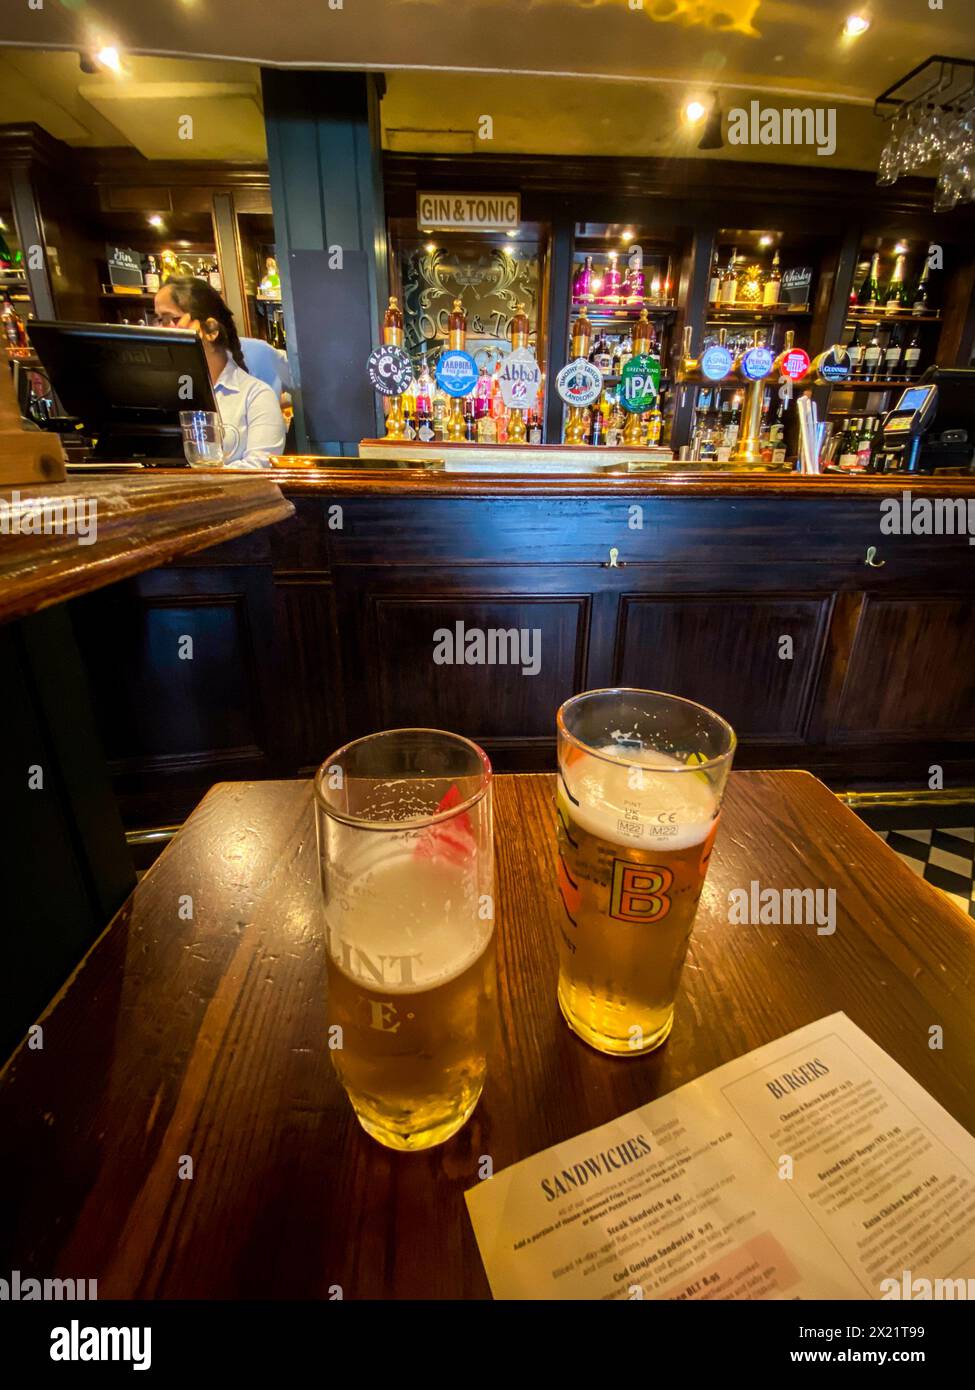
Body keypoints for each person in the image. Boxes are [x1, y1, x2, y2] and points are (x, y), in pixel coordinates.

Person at [153, 277, 286, 469]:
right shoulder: (167, 394)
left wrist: (200, 479)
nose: (159, 329)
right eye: (158, 320)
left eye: (169, 319)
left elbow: (261, 467)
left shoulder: (255, 396)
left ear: (211, 329)